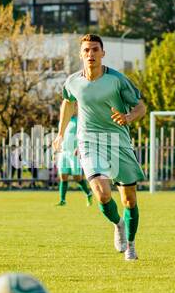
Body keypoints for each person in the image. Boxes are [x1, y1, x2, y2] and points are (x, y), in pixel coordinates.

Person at [54, 34, 146, 261]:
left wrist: (128, 117)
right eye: (86, 50)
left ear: (103, 53)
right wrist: (60, 134)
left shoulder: (117, 80)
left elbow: (140, 107)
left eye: (95, 50)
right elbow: (67, 102)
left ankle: (131, 245)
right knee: (102, 194)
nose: (91, 54)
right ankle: (118, 224)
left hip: (118, 141)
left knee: (129, 200)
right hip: (89, 141)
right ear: (80, 54)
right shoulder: (73, 81)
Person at [54, 113, 92, 206]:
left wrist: (79, 146)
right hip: (63, 152)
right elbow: (60, 135)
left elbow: (83, 134)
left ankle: (88, 193)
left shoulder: (78, 120)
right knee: (63, 176)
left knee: (77, 177)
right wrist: (56, 149)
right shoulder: (62, 121)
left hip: (74, 153)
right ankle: (63, 200)